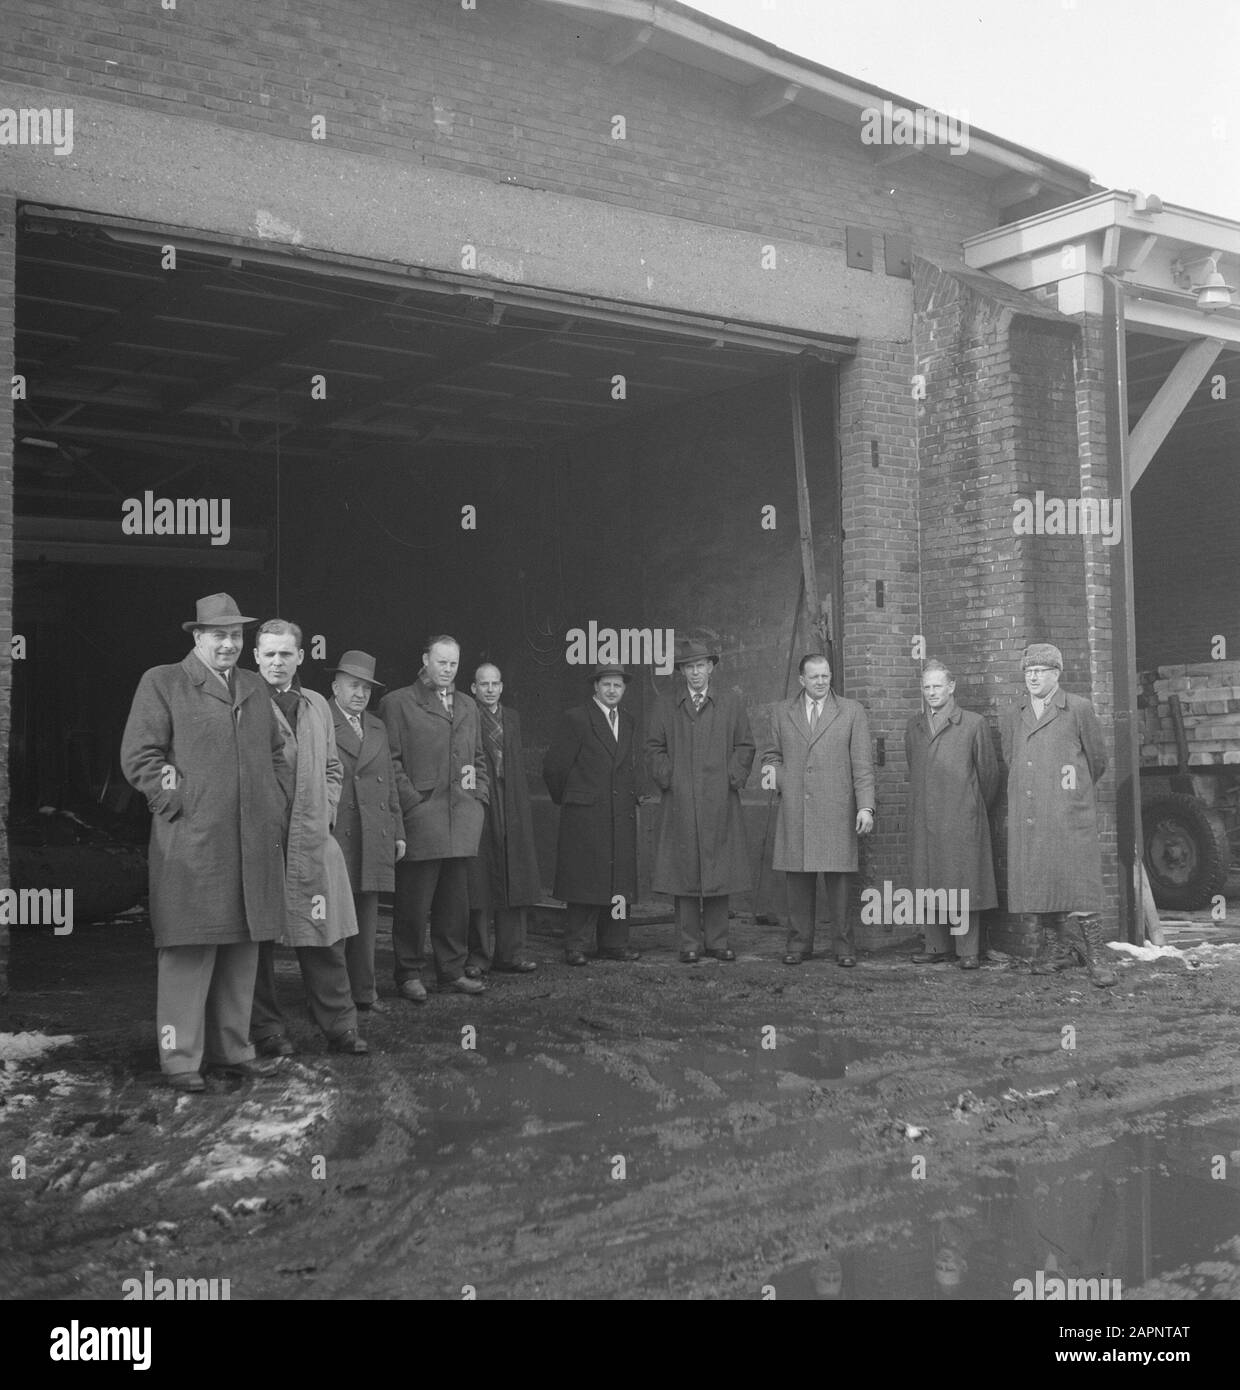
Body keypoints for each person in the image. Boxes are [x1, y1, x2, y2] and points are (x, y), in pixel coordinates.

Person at [120, 593, 289, 1093]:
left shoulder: (255, 688)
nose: (230, 644)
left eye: (237, 636)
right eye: (219, 635)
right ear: (197, 638)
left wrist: (273, 802)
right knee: (188, 954)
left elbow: (278, 755)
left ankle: (234, 1050)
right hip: (193, 845)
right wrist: (182, 801)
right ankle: (179, 1059)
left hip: (250, 845)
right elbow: (141, 757)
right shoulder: (164, 682)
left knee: (241, 952)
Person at [249, 620, 369, 1055]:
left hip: (314, 838)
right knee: (258, 940)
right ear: (256, 657)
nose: (277, 662)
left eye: (286, 654)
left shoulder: (316, 704)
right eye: (269, 654)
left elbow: (333, 768)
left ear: (301, 656)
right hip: (263, 841)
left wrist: (325, 809)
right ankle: (267, 1030)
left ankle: (341, 1026)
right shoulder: (244, 700)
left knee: (325, 936)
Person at [380, 635, 489, 1000]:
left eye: (453, 663)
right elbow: (390, 761)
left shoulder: (468, 705)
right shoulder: (398, 703)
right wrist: (413, 802)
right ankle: (409, 973)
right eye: (441, 662)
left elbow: (477, 756)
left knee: (454, 903)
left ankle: (451, 971)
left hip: (461, 818)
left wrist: (478, 799)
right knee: (414, 902)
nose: (447, 669)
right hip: (421, 818)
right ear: (425, 659)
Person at [1001, 643, 1116, 987]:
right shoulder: (1015, 713)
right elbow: (1012, 759)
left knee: (1079, 886)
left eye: (1040, 671)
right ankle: (1058, 952)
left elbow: (1097, 761)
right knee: (1043, 885)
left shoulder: (1078, 709)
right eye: (1028, 671)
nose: (1033, 677)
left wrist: (1070, 793)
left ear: (1056, 674)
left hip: (1068, 814)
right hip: (1033, 815)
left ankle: (1096, 957)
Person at [645, 639, 755, 963]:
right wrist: (671, 779)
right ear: (682, 671)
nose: (695, 672)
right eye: (688, 667)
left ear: (711, 667)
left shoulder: (731, 703)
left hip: (720, 801)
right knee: (684, 872)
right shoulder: (666, 705)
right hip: (681, 802)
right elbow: (653, 749)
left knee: (721, 870)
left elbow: (745, 746)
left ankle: (718, 942)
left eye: (700, 665)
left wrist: (731, 779)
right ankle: (689, 943)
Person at [761, 654, 875, 966]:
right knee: (797, 879)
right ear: (802, 680)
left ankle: (844, 948)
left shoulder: (852, 712)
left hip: (837, 810)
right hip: (796, 808)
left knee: (838, 883)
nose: (822, 682)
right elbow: (771, 756)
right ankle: (799, 945)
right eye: (815, 677)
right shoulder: (782, 712)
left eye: (826, 676)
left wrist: (865, 807)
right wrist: (781, 779)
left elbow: (862, 765)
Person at [904, 660, 1000, 970]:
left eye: (937, 686)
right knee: (929, 878)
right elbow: (915, 768)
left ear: (952, 687)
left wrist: (970, 806)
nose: (932, 692)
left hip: (962, 817)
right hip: (926, 818)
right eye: (927, 687)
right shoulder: (914, 726)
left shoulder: (973, 724)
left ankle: (967, 949)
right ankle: (936, 945)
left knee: (964, 882)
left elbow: (989, 774)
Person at [543, 665, 640, 965]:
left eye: (618, 685)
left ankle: (615, 943)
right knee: (584, 880)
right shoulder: (576, 718)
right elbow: (554, 768)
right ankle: (577, 945)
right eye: (607, 684)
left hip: (619, 813)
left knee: (618, 882)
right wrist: (573, 799)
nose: (612, 690)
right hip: (585, 814)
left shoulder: (628, 720)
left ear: (624, 689)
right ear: (595, 687)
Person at [329, 651, 406, 1013]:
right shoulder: (320, 720)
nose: (360, 694)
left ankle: (365, 991)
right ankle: (334, 998)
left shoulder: (376, 725)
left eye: (366, 688)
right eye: (353, 685)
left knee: (367, 919)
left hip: (373, 833)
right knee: (333, 923)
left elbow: (389, 784)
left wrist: (398, 832)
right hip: (337, 835)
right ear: (336, 686)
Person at [464, 663, 541, 977]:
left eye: (495, 683)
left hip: (511, 802)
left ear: (502, 686)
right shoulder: (467, 717)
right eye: (484, 684)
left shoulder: (512, 718)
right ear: (474, 688)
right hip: (481, 800)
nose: (490, 689)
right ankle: (477, 958)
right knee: (479, 882)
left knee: (515, 877)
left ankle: (510, 954)